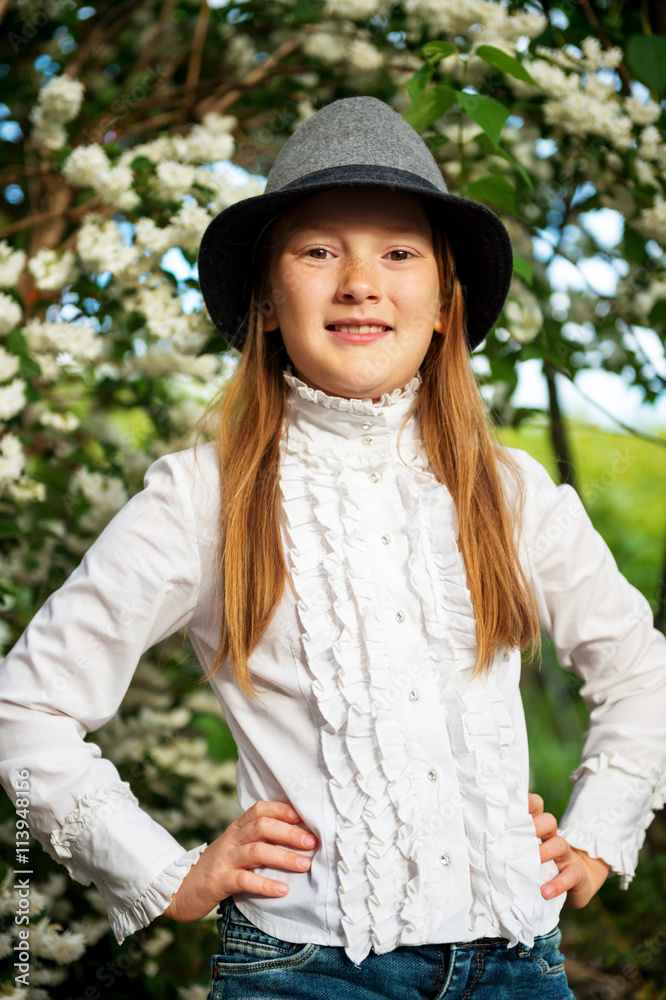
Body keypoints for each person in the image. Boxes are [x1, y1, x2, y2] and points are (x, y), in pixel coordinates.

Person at [0, 96, 664, 1000]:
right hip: (306, 974)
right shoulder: (203, 497)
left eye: (399, 252)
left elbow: (641, 671)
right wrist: (161, 871)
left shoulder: (511, 494)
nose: (360, 282)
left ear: (444, 303)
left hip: (520, 965)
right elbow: (27, 707)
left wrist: (598, 829)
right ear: (269, 301)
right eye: (319, 251)